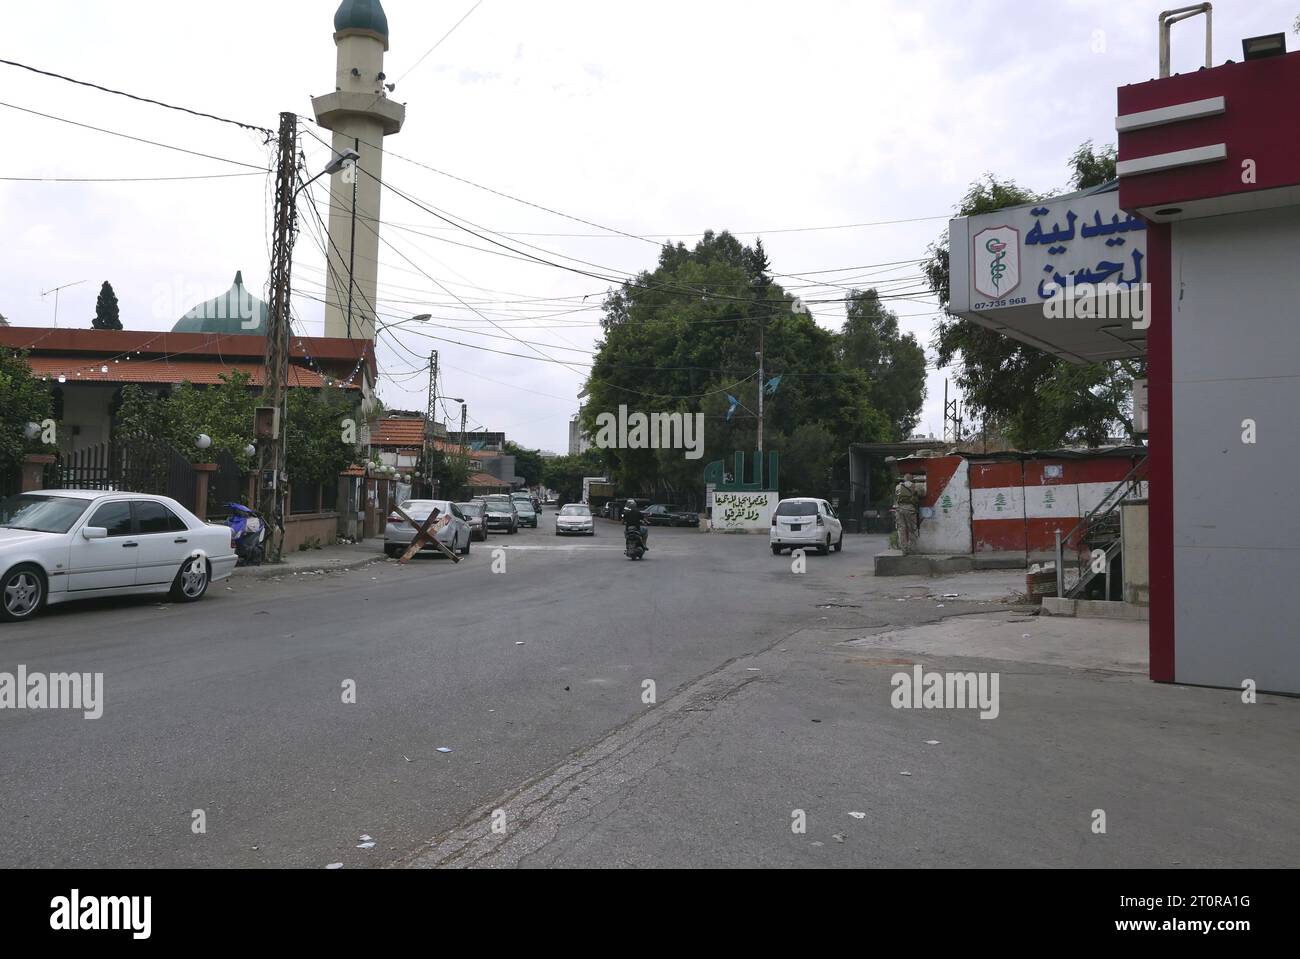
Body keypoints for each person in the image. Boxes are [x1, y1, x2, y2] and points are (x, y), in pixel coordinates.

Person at [893, 474, 921, 554]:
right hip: (910, 509)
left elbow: (896, 496)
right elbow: (921, 493)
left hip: (899, 509)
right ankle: (912, 549)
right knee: (911, 529)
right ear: (912, 479)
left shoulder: (898, 486)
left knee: (902, 529)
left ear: (904, 479)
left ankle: (904, 550)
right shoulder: (915, 486)